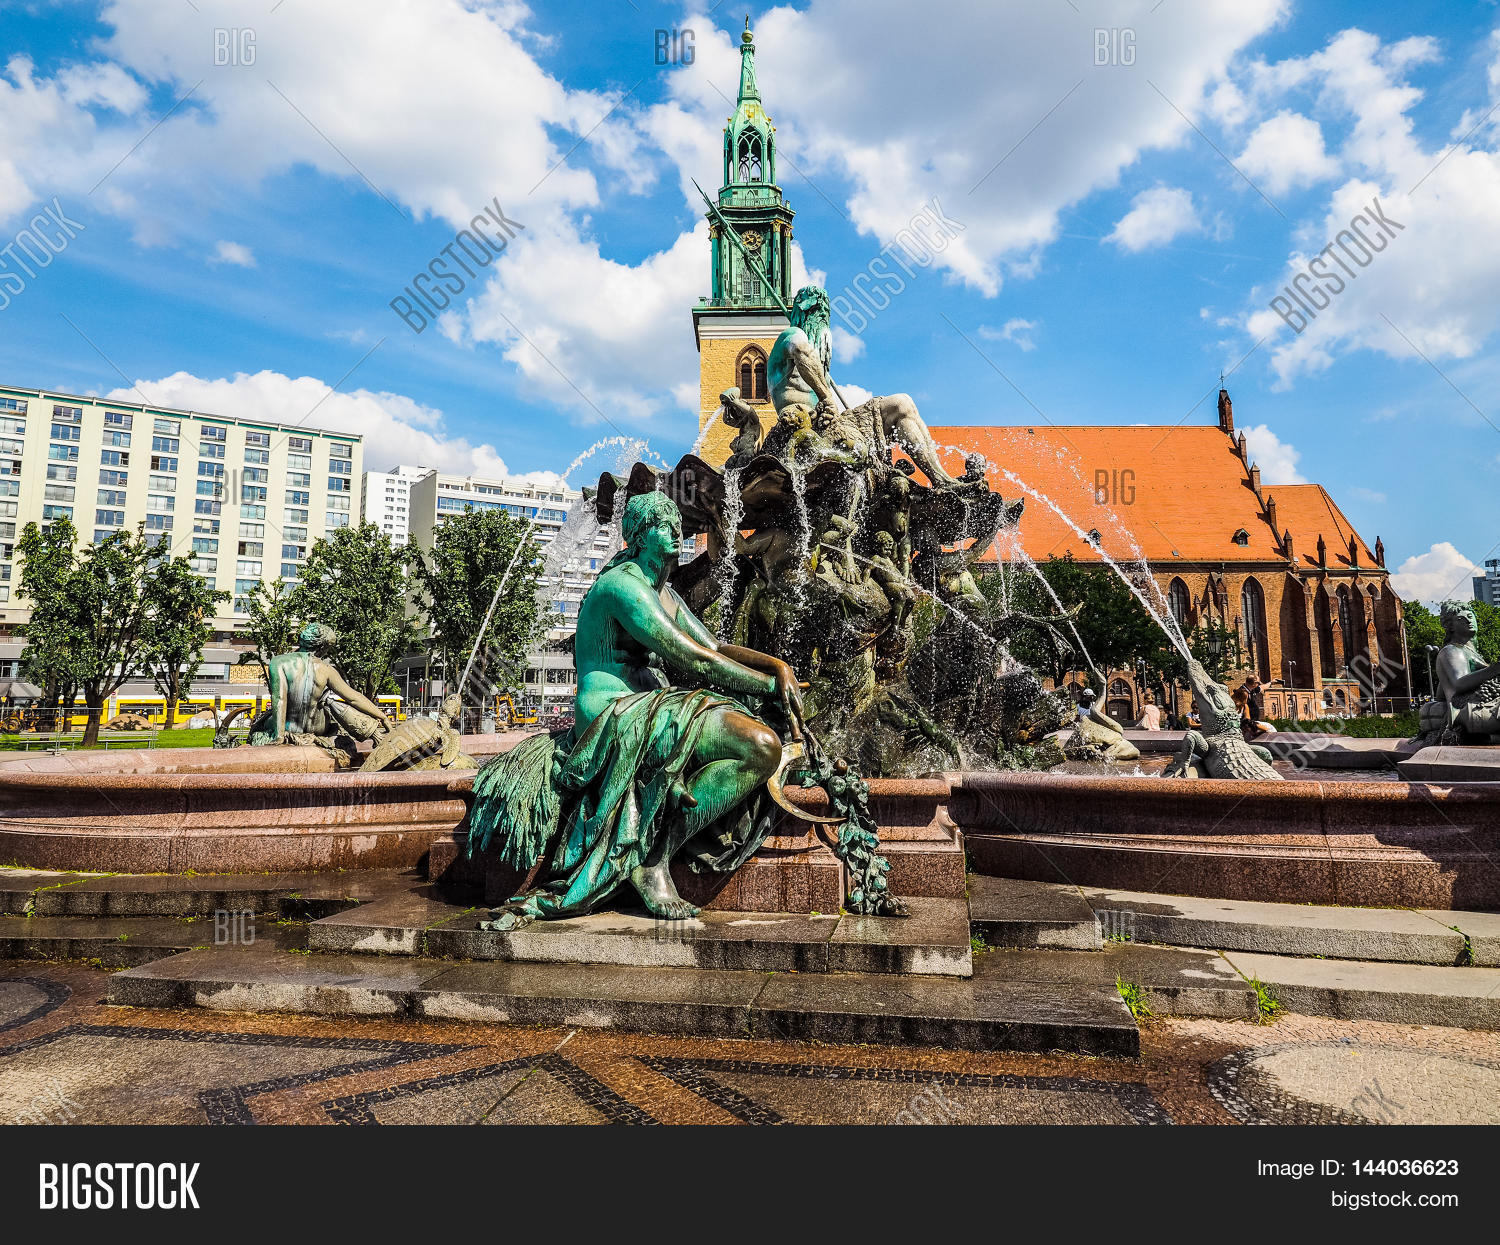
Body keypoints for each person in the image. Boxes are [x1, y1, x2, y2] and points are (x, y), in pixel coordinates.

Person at [468, 490, 806, 924]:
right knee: (759, 744)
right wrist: (768, 688)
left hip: (651, 701)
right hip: (613, 709)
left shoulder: (663, 593)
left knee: (760, 743)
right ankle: (652, 858)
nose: (677, 532)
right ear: (640, 536)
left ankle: (658, 845)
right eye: (665, 526)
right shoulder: (623, 586)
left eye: (677, 525)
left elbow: (714, 645)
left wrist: (778, 668)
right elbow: (694, 659)